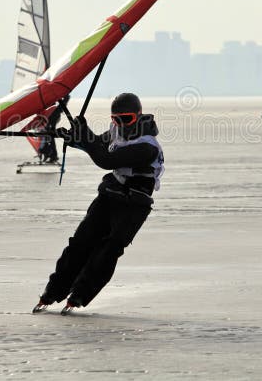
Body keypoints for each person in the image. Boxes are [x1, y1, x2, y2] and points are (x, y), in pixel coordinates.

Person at [33, 92, 164, 315]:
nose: (120, 125)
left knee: (108, 250)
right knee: (80, 243)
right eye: (116, 119)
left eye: (126, 119)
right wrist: (74, 137)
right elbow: (97, 145)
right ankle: (52, 292)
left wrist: (84, 135)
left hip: (134, 205)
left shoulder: (147, 146)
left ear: (138, 116)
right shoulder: (116, 131)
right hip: (110, 195)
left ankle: (79, 295)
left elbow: (106, 159)